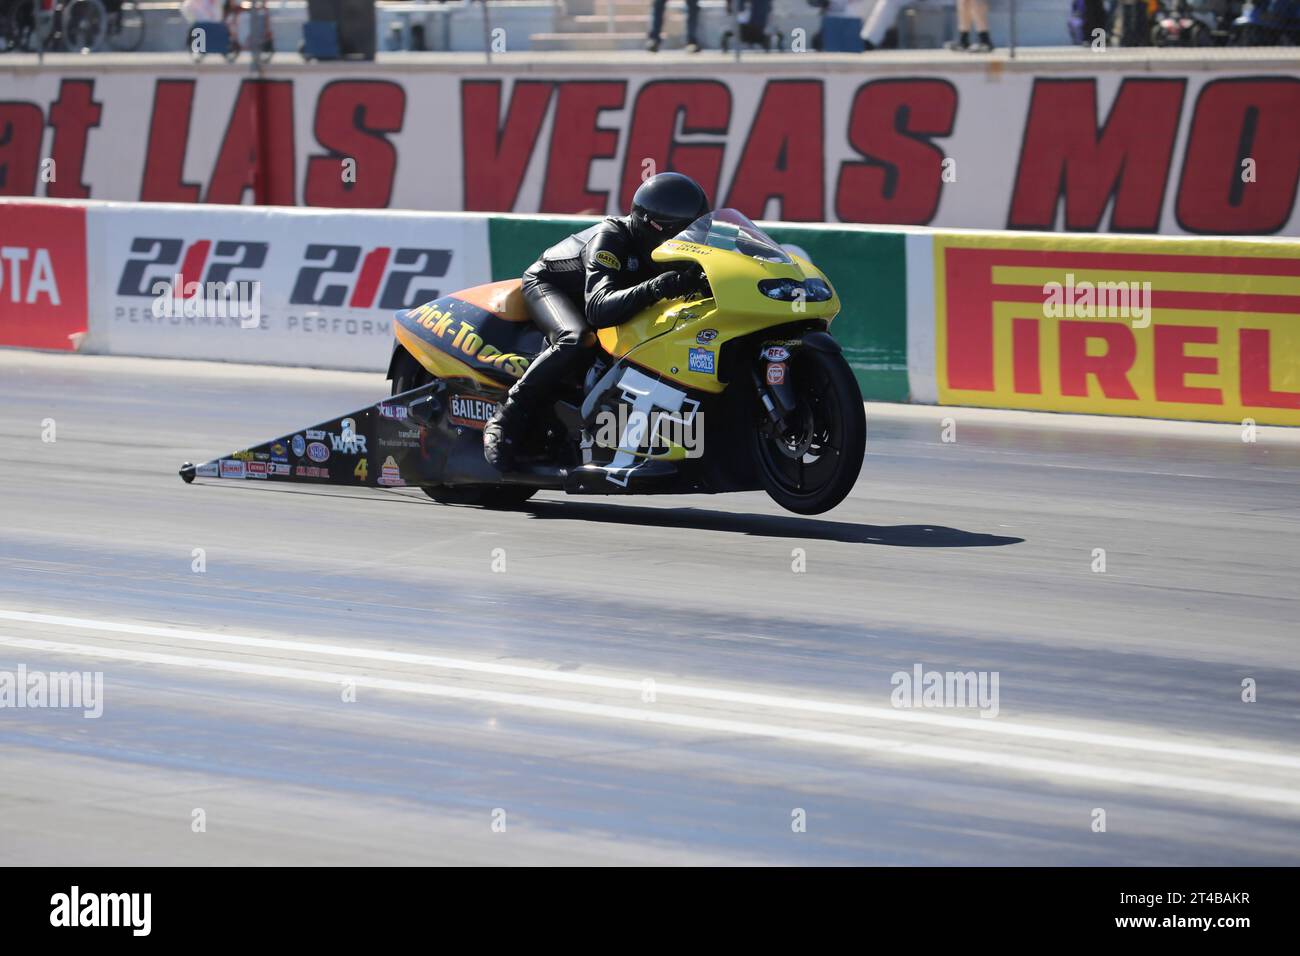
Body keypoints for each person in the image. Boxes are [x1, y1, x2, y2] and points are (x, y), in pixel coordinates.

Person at [482, 172, 711, 471]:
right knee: (576, 339)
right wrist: (658, 287)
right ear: (651, 225)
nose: (686, 241)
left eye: (694, 232)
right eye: (679, 233)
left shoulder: (681, 248)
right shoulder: (611, 240)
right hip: (554, 286)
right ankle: (507, 416)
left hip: (610, 295)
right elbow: (599, 309)